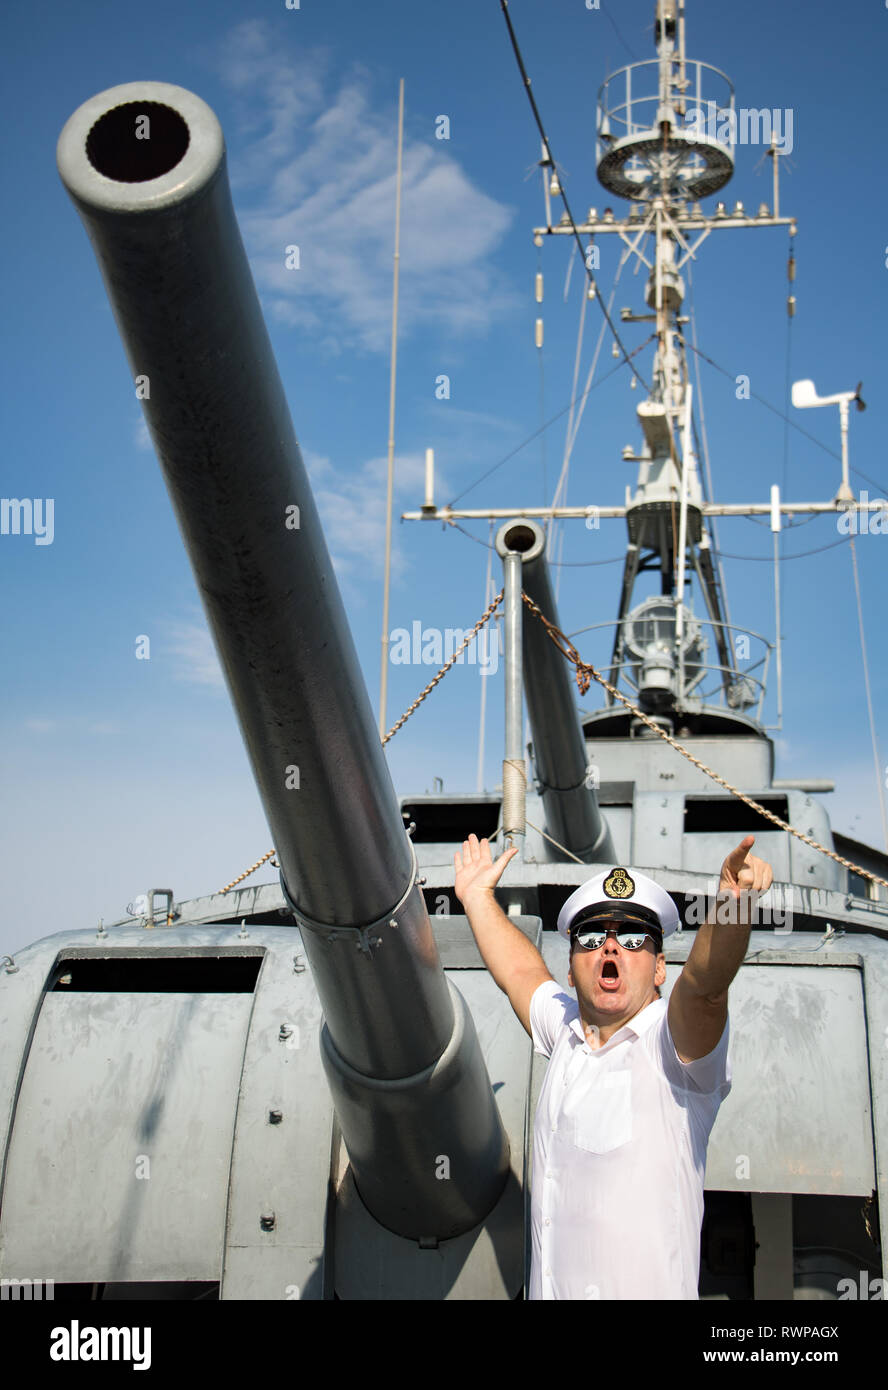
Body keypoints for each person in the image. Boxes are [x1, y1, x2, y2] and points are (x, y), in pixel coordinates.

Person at [454, 831, 773, 1300]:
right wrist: (477, 897)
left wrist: (735, 902)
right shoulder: (564, 1029)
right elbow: (521, 973)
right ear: (571, 968)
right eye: (590, 937)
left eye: (631, 937)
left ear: (660, 967)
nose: (609, 947)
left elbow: (706, 987)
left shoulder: (672, 1045)